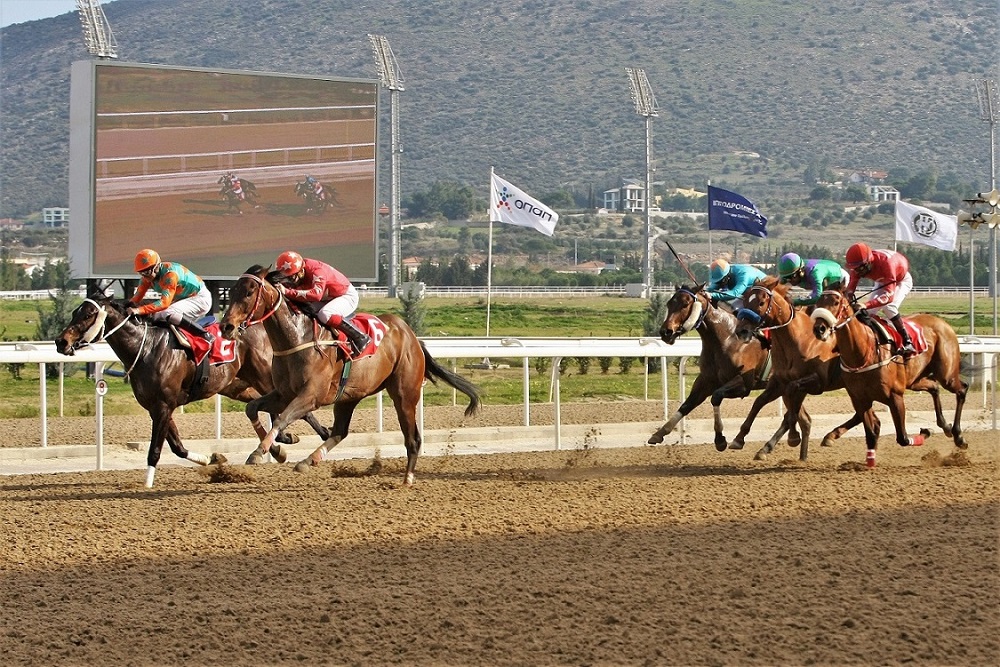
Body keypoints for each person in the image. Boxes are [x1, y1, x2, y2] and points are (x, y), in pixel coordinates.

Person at [273, 250, 370, 355]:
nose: (288, 281)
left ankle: (361, 337)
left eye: (291, 277)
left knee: (325, 314)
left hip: (345, 296)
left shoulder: (317, 271)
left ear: (300, 271)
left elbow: (316, 295)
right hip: (326, 298)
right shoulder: (298, 271)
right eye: (285, 278)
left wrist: (287, 291)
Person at [128, 249, 215, 344]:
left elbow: (164, 303)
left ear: (156, 266)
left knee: (167, 312)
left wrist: (138, 310)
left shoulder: (170, 275)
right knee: (156, 316)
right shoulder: (146, 279)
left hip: (200, 298)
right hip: (184, 299)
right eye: (141, 273)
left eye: (147, 272)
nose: (145, 277)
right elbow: (135, 300)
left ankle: (204, 334)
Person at [844, 242, 915, 357]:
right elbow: (850, 291)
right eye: (854, 269)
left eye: (859, 268)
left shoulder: (886, 264)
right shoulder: (857, 267)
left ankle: (908, 341)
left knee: (889, 307)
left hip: (900, 280)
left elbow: (888, 296)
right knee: (868, 313)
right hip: (882, 281)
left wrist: (865, 304)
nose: (857, 272)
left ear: (868, 262)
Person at [777, 252, 852, 307]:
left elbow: (817, 296)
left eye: (792, 277)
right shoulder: (790, 273)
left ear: (801, 271)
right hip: (822, 286)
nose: (789, 281)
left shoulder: (815, 273)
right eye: (786, 278)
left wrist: (795, 301)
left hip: (839, 281)